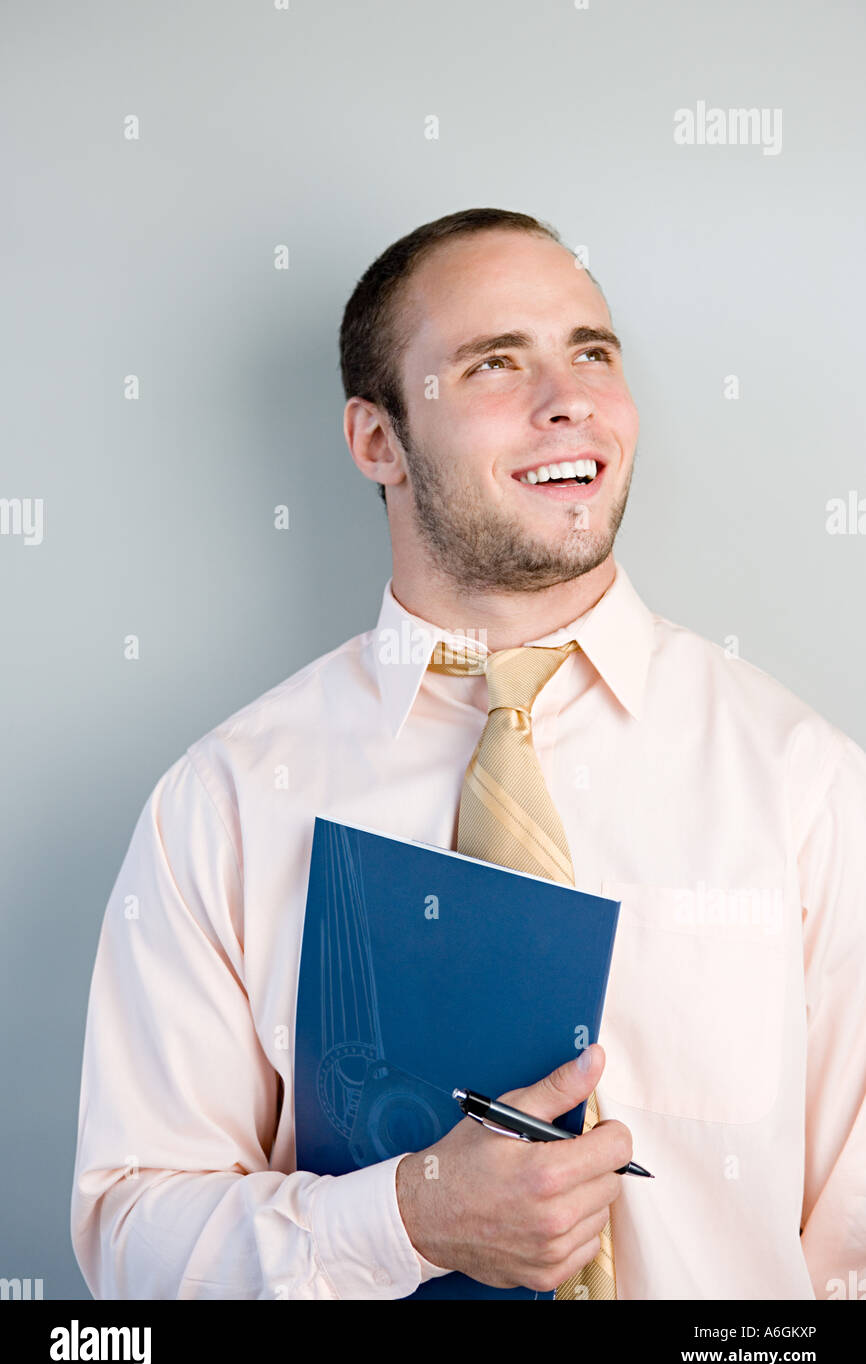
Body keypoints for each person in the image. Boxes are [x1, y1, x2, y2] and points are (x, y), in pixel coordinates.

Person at [71, 207, 866, 1300]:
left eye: (591, 352)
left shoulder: (806, 786)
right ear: (376, 441)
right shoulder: (223, 803)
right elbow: (130, 1243)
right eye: (495, 362)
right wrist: (401, 1219)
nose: (569, 399)